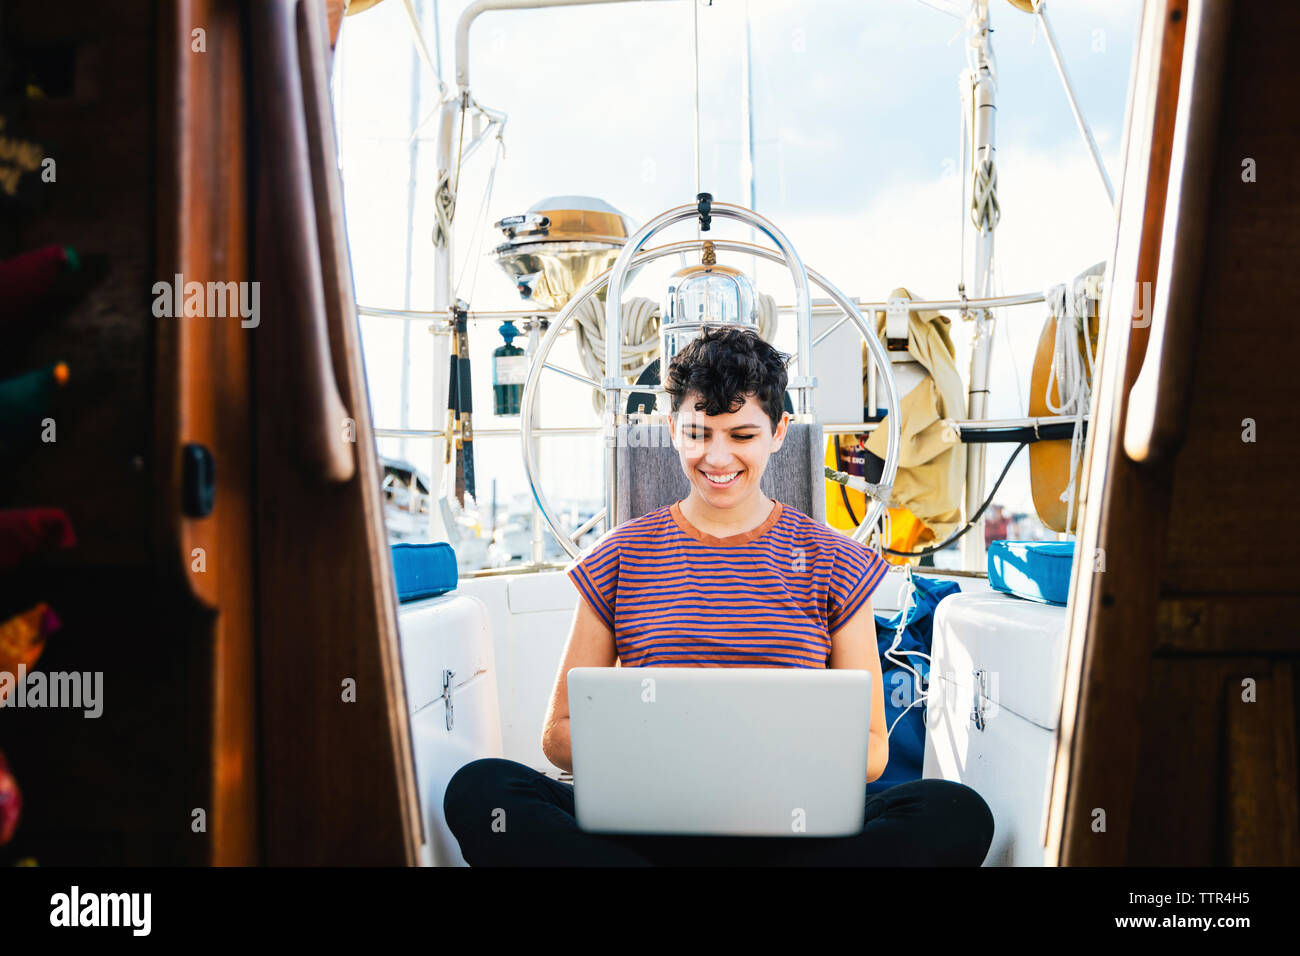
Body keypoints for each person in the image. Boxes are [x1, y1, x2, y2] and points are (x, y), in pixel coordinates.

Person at [444, 327, 994, 866]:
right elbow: (557, 736)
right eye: (698, 433)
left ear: (780, 431)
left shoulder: (836, 561)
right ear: (672, 429)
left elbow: (873, 750)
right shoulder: (620, 555)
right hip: (648, 824)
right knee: (483, 789)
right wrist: (668, 760)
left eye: (742, 435)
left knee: (953, 812)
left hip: (791, 829)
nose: (718, 457)